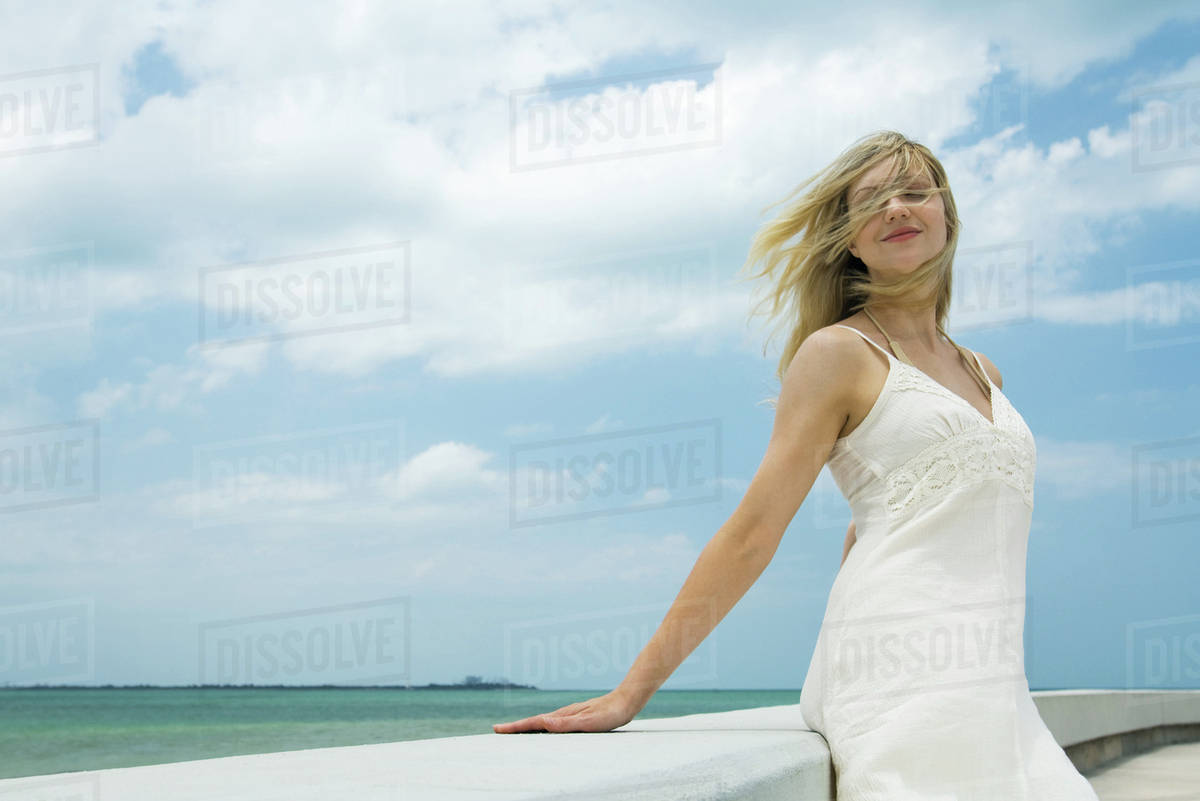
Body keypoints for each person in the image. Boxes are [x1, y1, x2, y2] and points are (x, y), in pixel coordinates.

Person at [493, 130, 1100, 799]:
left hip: (993, 682)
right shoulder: (837, 354)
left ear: (946, 214)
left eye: (914, 192)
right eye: (873, 200)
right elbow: (753, 532)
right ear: (848, 238)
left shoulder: (985, 372)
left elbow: (893, 514)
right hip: (898, 668)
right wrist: (631, 691)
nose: (897, 207)